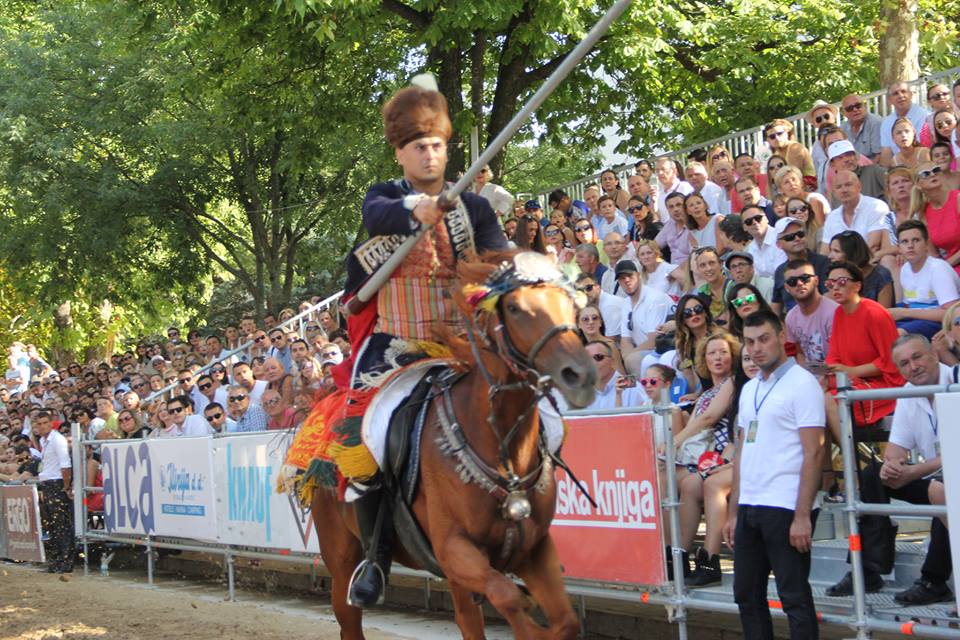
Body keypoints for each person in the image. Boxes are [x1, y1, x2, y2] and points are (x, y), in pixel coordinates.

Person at [827, 335, 952, 605]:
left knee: (946, 490)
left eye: (917, 357)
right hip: (933, 475)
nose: (913, 367)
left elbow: (956, 455)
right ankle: (869, 570)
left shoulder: (956, 382)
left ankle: (934, 581)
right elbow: (896, 450)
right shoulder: (908, 392)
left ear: (933, 354)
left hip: (952, 476)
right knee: (874, 474)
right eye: (904, 363)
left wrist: (914, 471)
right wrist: (892, 467)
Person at [724, 310, 825, 640]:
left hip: (785, 505)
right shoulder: (749, 388)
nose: (756, 348)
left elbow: (814, 451)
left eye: (763, 339)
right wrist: (733, 511)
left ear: (781, 336)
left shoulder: (803, 384)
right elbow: (742, 452)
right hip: (751, 505)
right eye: (749, 342)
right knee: (746, 595)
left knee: (793, 596)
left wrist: (802, 515)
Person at [672, 332, 740, 587]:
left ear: (732, 356)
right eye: (712, 353)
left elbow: (709, 419)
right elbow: (696, 425)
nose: (718, 357)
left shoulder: (733, 383)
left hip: (728, 452)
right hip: (706, 457)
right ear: (704, 359)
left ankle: (709, 560)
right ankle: (678, 556)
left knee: (696, 483)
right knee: (680, 482)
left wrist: (674, 441)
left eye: (723, 352)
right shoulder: (706, 393)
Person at [823, 262, 904, 443]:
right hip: (852, 380)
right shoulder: (838, 313)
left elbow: (891, 361)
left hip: (884, 384)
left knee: (829, 400)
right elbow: (834, 357)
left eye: (841, 281)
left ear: (857, 285)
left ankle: (849, 455)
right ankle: (831, 461)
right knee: (812, 395)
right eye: (830, 283)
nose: (835, 287)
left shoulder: (874, 313)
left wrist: (851, 371)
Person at [889, 220, 960, 338]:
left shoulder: (938, 268)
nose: (910, 246)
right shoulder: (905, 269)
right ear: (899, 248)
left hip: (937, 322)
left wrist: (904, 313)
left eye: (916, 240)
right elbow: (909, 305)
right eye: (905, 242)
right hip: (915, 318)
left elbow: (952, 313)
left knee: (896, 335)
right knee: (878, 326)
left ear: (926, 244)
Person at [617, 260, 674, 375]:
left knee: (633, 360)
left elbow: (653, 341)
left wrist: (629, 357)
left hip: (666, 349)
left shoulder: (655, 299)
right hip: (645, 352)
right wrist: (626, 356)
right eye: (622, 278)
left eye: (629, 276)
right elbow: (625, 339)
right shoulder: (626, 303)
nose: (626, 280)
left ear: (638, 275)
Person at [36, 410, 74, 573]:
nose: (42, 426)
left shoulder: (57, 440)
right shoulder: (43, 441)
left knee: (61, 524)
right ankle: (57, 560)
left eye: (45, 422)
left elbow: (65, 466)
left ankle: (66, 561)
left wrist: (65, 487)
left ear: (51, 423)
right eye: (39, 423)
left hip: (57, 484)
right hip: (48, 484)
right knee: (52, 524)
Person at [819, 170, 889, 255]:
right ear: (834, 193)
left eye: (848, 185)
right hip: (839, 262)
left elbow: (873, 246)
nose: (844, 190)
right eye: (839, 187)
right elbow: (825, 252)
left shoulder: (876, 207)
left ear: (859, 186)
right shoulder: (832, 217)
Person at [771, 217, 832, 315]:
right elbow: (776, 307)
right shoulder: (780, 271)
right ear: (779, 245)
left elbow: (829, 298)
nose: (797, 239)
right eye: (790, 237)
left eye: (800, 234)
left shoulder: (823, 262)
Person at [783, 259, 839, 365]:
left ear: (816, 280)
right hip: (809, 373)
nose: (799, 283)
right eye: (792, 281)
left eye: (805, 278)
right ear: (786, 288)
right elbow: (799, 352)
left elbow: (841, 355)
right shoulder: (790, 317)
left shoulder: (834, 312)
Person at [827, 230, 894, 308]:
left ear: (853, 253)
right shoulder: (833, 276)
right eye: (831, 250)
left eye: (836, 251)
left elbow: (884, 312)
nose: (830, 256)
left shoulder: (880, 275)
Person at [915, 162, 960, 276]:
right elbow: (933, 255)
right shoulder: (924, 214)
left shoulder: (958, 199)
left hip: (950, 265)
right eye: (925, 174)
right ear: (918, 185)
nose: (932, 174)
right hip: (951, 268)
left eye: (936, 170)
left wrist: (945, 266)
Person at [583, 340, 647, 410]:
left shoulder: (631, 385)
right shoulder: (583, 391)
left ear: (612, 361)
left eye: (598, 357)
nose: (593, 363)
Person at [881, 81, 929, 156]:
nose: (900, 96)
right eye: (895, 93)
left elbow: (925, 149)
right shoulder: (886, 123)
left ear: (911, 95)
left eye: (903, 91)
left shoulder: (925, 116)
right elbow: (886, 154)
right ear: (889, 100)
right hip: (897, 162)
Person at [764, 119, 816, 188]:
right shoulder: (775, 155)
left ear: (787, 133)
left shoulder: (795, 148)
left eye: (780, 133)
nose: (777, 138)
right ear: (768, 140)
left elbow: (793, 176)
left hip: (808, 187)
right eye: (772, 137)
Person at [742, 204, 786, 279]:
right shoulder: (750, 250)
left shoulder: (780, 238)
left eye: (758, 218)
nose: (754, 222)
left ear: (766, 219)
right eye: (748, 221)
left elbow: (780, 274)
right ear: (744, 227)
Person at [840, 93, 883, 161]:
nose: (855, 109)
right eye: (849, 108)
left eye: (858, 105)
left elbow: (879, 156)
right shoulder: (842, 129)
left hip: (873, 165)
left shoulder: (876, 123)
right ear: (844, 113)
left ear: (864, 106)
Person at [655, 192, 692, 269]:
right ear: (667, 210)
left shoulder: (694, 225)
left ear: (686, 206)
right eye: (671, 207)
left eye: (679, 205)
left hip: (690, 270)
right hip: (673, 271)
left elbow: (695, 257)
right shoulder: (670, 224)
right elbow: (654, 245)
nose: (675, 209)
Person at [655, 156, 694, 221]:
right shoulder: (659, 194)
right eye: (657, 170)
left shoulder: (685, 187)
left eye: (663, 169)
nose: (660, 173)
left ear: (674, 170)